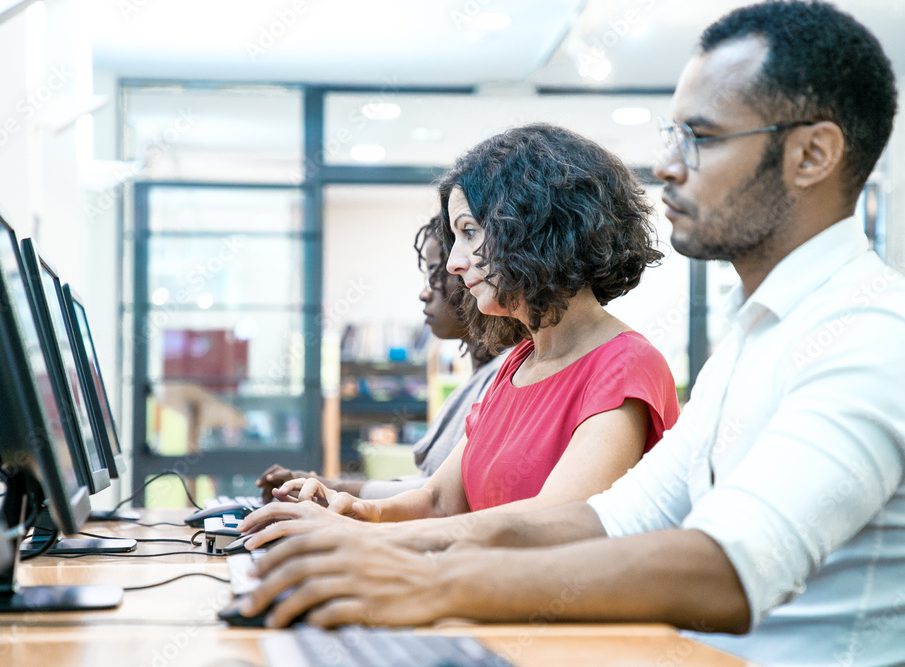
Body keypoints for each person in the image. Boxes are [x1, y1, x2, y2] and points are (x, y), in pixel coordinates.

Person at [233, 3, 905, 666]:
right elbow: (603, 519)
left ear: (812, 153)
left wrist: (429, 580)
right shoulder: (756, 337)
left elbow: (729, 565)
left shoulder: (871, 334)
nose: (668, 164)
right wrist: (365, 544)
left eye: (700, 137)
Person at [241, 123, 679, 538]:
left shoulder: (625, 365)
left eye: (469, 232)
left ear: (538, 229)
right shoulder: (517, 364)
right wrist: (349, 509)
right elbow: (438, 501)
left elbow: (559, 520)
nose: (454, 262)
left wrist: (363, 536)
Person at [255, 217, 513, 502]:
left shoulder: (507, 376)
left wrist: (329, 487)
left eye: (434, 275)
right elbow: (428, 485)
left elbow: (440, 496)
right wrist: (321, 486)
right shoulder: (481, 377)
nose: (424, 293)